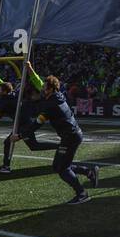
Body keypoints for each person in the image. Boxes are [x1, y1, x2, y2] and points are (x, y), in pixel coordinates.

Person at [24, 73, 98, 204]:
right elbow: (41, 83)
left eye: (45, 88)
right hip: (71, 135)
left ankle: (82, 193)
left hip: (70, 137)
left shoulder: (51, 104)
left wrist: (20, 135)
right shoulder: (57, 95)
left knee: (61, 168)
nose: (42, 90)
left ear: (51, 89)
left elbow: (37, 124)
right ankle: (89, 172)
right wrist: (30, 69)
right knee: (61, 166)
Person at [0, 62, 55, 173]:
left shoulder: (32, 93)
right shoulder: (17, 92)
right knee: (33, 146)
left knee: (18, 143)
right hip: (21, 122)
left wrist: (30, 68)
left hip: (25, 123)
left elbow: (36, 81)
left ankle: (6, 166)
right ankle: (6, 166)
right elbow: (3, 85)